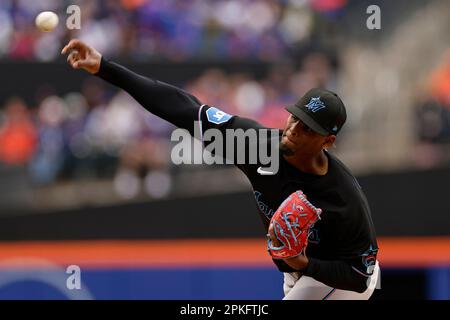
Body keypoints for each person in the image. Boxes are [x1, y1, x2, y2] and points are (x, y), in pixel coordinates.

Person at [61, 39, 380, 300]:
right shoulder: (256, 146)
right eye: (295, 117)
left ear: (328, 140)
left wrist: (304, 262)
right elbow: (180, 107)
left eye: (307, 128)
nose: (293, 128)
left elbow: (359, 273)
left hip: (344, 280)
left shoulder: (343, 198)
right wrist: (105, 68)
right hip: (296, 273)